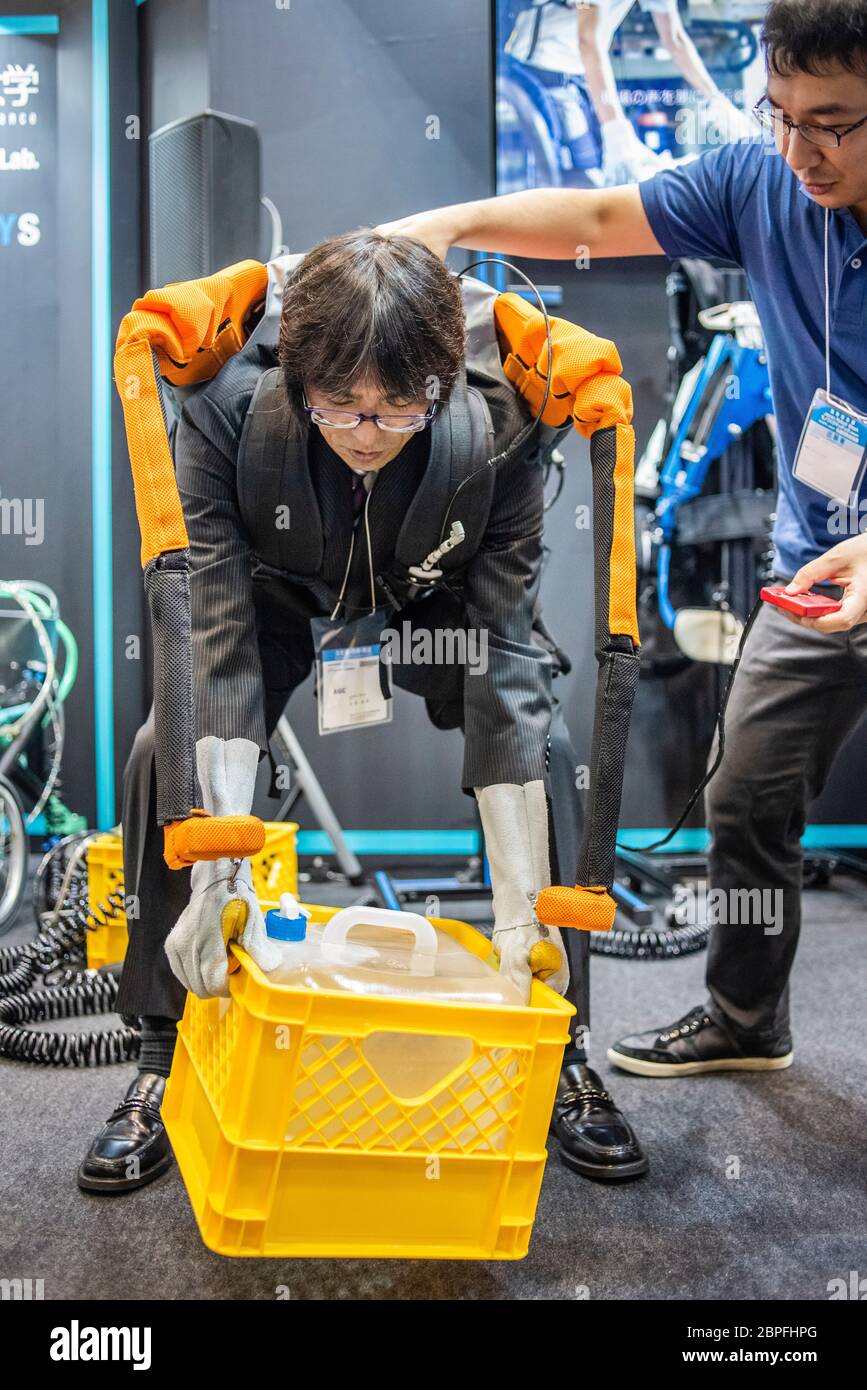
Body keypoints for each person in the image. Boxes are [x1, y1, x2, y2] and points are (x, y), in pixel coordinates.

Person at [78, 231, 647, 1193]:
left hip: (437, 597)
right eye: (339, 406)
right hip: (276, 593)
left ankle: (563, 1045)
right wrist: (215, 874)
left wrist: (521, 909)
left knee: (542, 745)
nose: (367, 432)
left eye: (398, 409)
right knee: (156, 751)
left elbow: (505, 643)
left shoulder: (507, 424)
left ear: (443, 384)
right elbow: (210, 634)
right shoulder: (218, 413)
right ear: (296, 377)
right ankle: (158, 1051)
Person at [379, 0, 867, 1079]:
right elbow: (598, 219)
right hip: (814, 570)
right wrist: (446, 225)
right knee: (747, 790)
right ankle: (748, 1023)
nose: (799, 150)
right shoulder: (761, 182)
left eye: (831, 123)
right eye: (779, 113)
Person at [505, 0, 753, 186]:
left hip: (580, 76)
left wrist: (717, 101)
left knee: (607, 178)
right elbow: (588, 40)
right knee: (585, 179)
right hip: (541, 73)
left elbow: (675, 39)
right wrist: (615, 131)